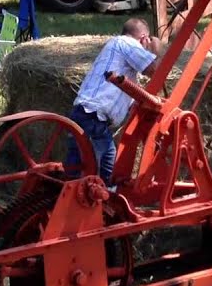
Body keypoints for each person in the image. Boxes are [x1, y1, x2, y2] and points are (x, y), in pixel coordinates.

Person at [66, 18, 162, 182]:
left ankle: (68, 192)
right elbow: (154, 70)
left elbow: (132, 97)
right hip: (93, 116)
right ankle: (92, 197)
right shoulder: (127, 43)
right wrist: (157, 51)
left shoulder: (119, 58)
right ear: (143, 38)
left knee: (86, 167)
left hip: (88, 115)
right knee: (97, 168)